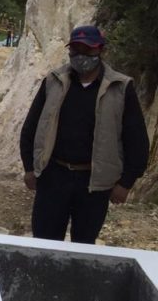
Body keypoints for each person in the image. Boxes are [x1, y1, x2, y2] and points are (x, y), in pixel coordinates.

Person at [20, 25, 150, 244]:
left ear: (100, 51)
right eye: (76, 49)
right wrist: (29, 168)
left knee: (84, 246)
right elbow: (31, 127)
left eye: (88, 50)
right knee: (44, 243)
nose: (81, 56)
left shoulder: (120, 88)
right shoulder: (54, 81)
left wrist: (126, 183)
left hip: (94, 184)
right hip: (53, 177)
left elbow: (136, 140)